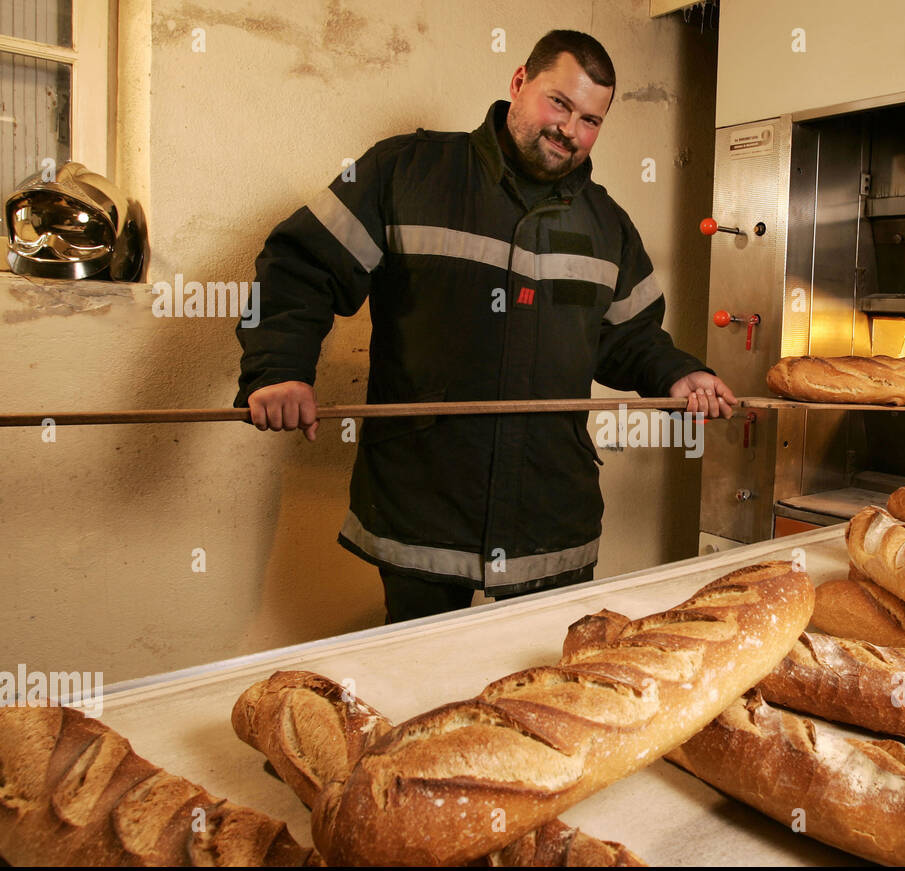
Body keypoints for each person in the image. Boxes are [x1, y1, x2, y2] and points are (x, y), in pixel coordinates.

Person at [235, 29, 735, 624]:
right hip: (423, 510)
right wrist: (281, 370)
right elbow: (300, 268)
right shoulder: (406, 171)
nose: (570, 131)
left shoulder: (609, 225)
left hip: (550, 520)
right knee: (422, 690)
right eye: (559, 103)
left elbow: (629, 337)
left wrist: (681, 372)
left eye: (591, 120)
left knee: (546, 697)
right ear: (519, 82)